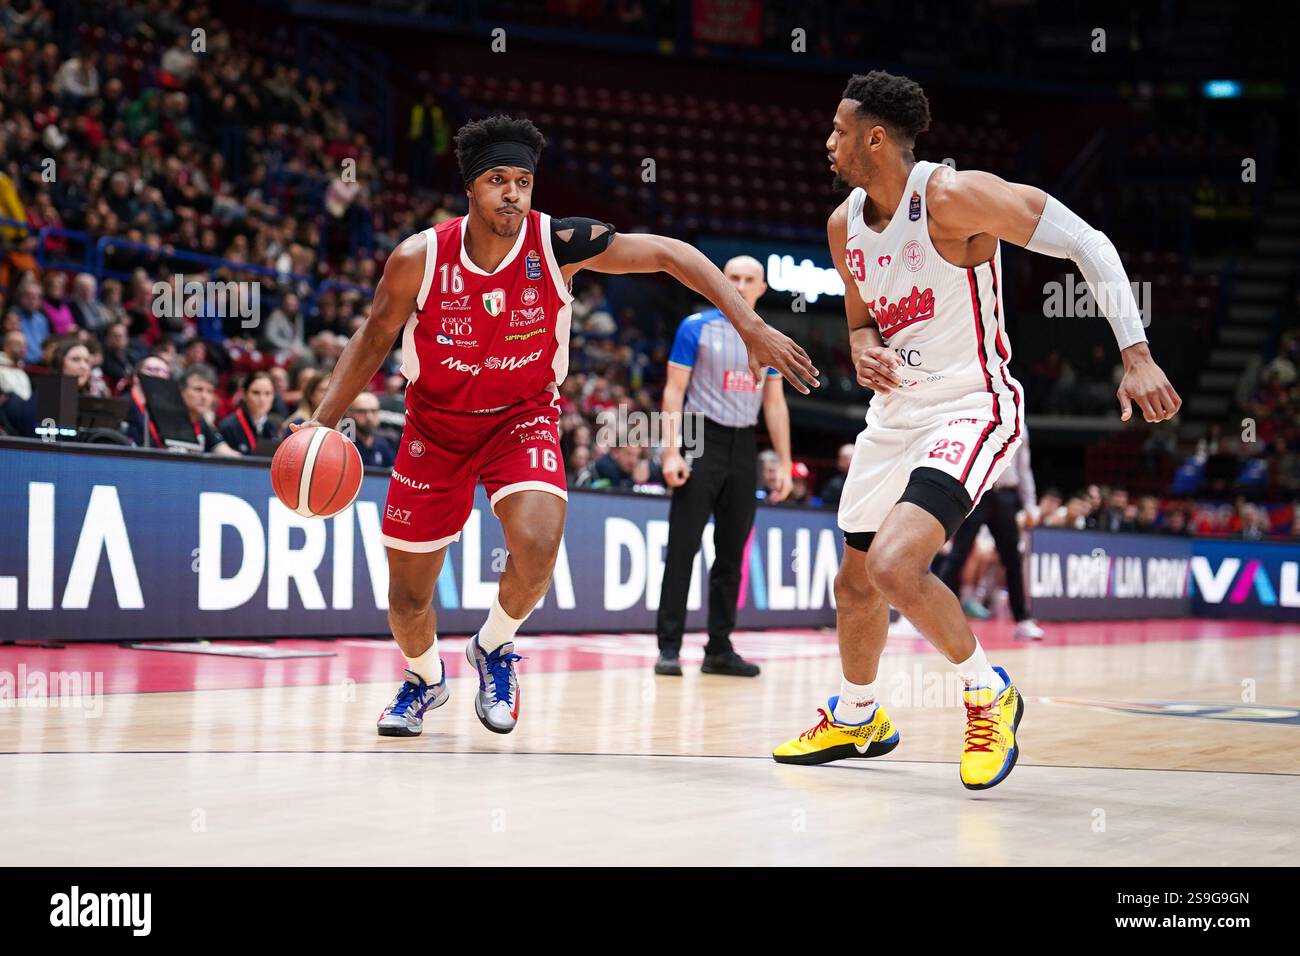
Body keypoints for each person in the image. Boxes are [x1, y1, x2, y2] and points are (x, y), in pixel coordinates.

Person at [293, 114, 814, 739]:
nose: (512, 192)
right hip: (433, 430)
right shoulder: (419, 258)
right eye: (496, 180)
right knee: (407, 601)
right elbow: (373, 338)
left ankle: (493, 647)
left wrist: (749, 324)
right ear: (470, 189)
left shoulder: (560, 243)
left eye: (522, 180)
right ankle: (423, 680)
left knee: (538, 548)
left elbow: (671, 255)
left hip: (522, 419)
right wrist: (320, 426)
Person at [772, 72, 1182, 791]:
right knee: (855, 584)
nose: (828, 142)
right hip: (895, 414)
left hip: (972, 404)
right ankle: (860, 715)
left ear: (874, 137)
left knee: (897, 566)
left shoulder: (954, 197)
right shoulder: (843, 226)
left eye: (839, 130)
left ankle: (988, 695)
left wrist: (1137, 353)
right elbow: (862, 319)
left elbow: (1089, 242)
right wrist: (864, 347)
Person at [654, 255, 791, 677]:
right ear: (719, 281)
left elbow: (774, 401)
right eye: (733, 277)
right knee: (683, 546)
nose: (741, 284)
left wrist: (784, 462)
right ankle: (669, 648)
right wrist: (671, 450)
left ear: (762, 288)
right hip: (700, 438)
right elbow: (674, 391)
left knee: (731, 553)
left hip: (743, 445)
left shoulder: (769, 337)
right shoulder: (696, 327)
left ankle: (719, 648)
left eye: (750, 279)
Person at [932, 430, 1045, 640]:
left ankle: (1022, 620)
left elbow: (1024, 468)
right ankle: (934, 617)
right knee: (958, 554)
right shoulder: (975, 414)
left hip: (1005, 495)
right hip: (977, 491)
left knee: (1013, 559)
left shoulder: (1021, 425)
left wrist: (1030, 504)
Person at [180, 364, 240, 457]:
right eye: (198, 389)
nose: (204, 396)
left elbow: (228, 454)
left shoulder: (202, 422)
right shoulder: (171, 421)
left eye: (209, 391)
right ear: (182, 391)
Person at [219, 370, 280, 455]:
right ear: (244, 394)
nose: (262, 399)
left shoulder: (272, 427)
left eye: (267, 393)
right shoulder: (229, 427)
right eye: (256, 393)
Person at [347, 390, 396, 468]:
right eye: (361, 411)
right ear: (349, 414)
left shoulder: (385, 444)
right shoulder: (345, 445)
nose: (369, 417)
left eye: (374, 411)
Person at [819, 443, 855, 508]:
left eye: (851, 457)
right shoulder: (834, 485)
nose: (849, 462)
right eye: (845, 458)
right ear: (839, 461)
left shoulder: (868, 481)